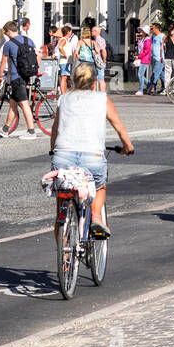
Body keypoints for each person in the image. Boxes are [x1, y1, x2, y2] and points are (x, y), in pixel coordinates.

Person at [47, 63, 134, 239]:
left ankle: (64, 256)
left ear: (73, 81)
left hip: (63, 157)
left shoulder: (63, 99)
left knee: (62, 198)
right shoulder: (102, 99)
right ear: (94, 82)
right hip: (92, 158)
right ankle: (96, 217)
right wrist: (127, 147)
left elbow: (55, 130)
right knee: (99, 185)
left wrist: (52, 150)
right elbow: (119, 127)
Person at [0, 20, 39, 140]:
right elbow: (38, 55)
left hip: (16, 77)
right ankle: (5, 129)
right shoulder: (28, 40)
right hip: (25, 76)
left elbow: (3, 62)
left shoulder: (8, 44)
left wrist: (0, 76)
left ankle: (31, 131)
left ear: (9, 31)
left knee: (24, 104)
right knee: (13, 103)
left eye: (6, 32)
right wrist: (35, 70)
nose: (6, 34)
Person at [133, 27, 152, 97]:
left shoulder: (147, 40)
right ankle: (150, 85)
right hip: (142, 58)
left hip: (144, 59)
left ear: (145, 32)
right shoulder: (142, 39)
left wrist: (139, 56)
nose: (140, 32)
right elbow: (140, 48)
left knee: (140, 75)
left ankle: (141, 90)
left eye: (141, 31)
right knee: (140, 75)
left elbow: (146, 51)